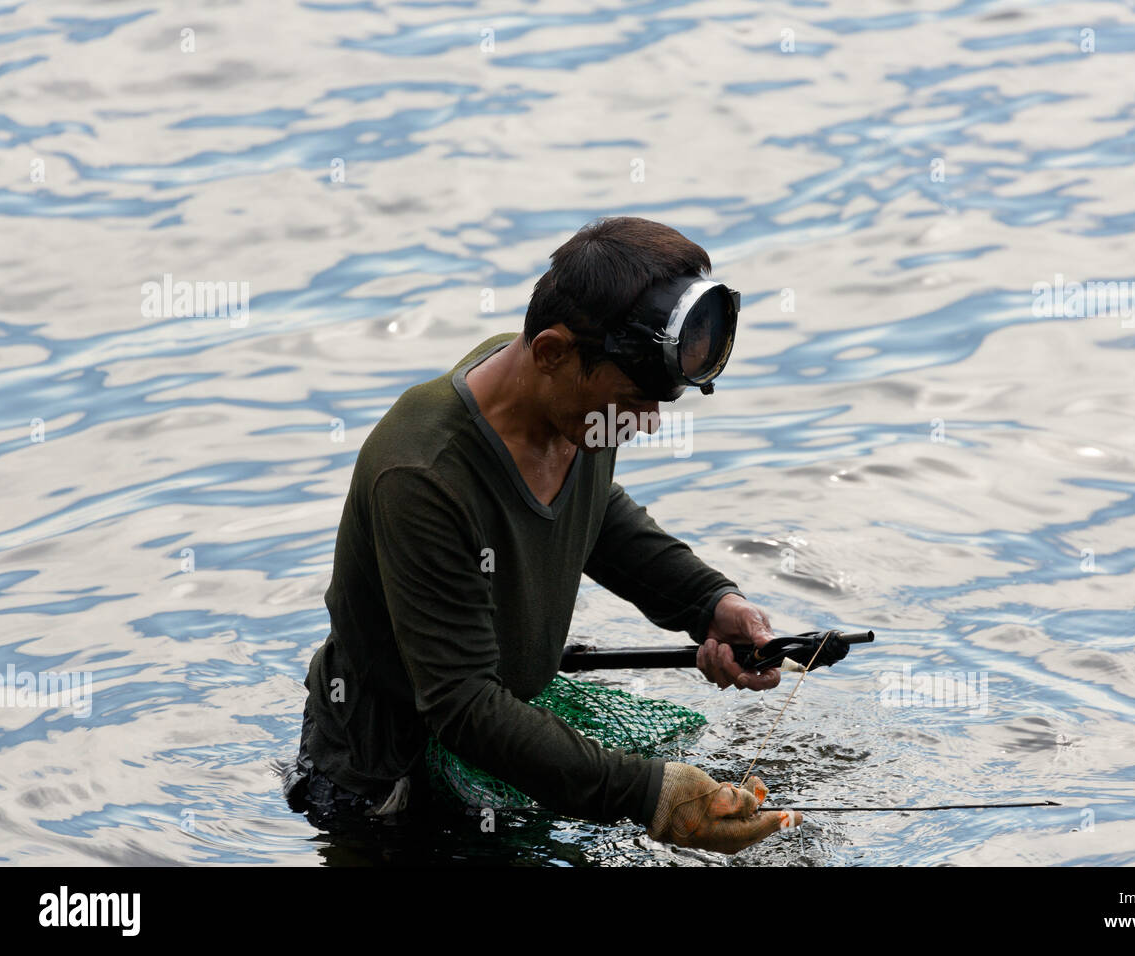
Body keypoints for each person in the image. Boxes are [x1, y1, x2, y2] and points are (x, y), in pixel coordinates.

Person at [281, 216, 800, 855]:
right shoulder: (421, 474)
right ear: (551, 353)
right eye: (637, 400)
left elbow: (597, 513)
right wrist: (650, 794)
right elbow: (466, 705)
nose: (649, 424)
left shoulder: (568, 400)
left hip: (496, 714)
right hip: (384, 777)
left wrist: (710, 604)